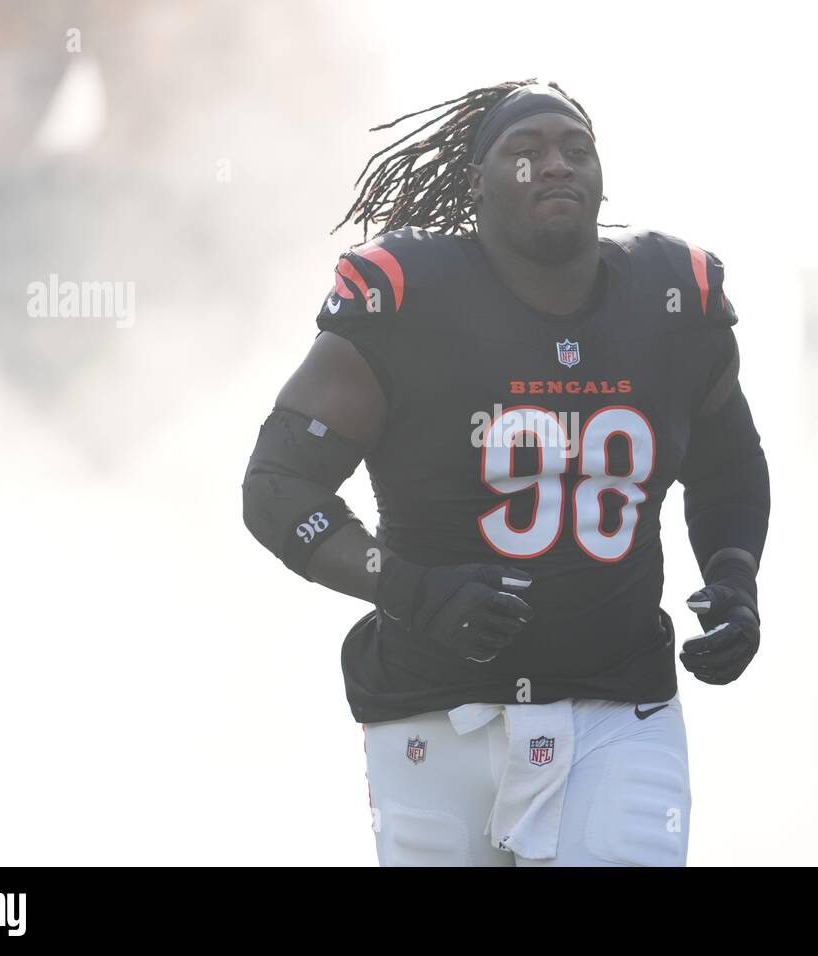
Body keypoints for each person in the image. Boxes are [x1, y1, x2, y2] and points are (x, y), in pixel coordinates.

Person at [242, 79, 770, 866]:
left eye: (575, 149)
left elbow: (727, 467)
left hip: (616, 706)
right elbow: (279, 487)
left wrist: (734, 581)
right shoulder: (409, 299)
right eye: (525, 152)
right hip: (433, 714)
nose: (555, 164)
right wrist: (414, 588)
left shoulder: (672, 298)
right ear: (477, 183)